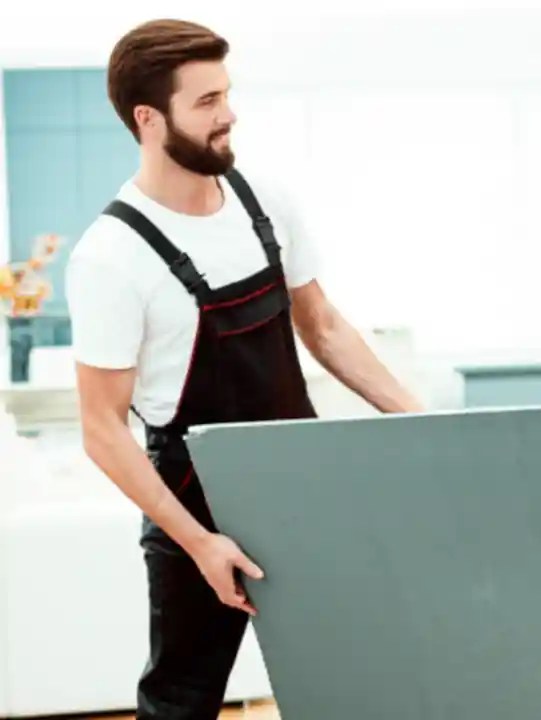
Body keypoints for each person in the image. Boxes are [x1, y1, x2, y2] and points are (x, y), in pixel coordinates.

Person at [67, 19, 424, 719]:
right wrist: (200, 544)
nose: (229, 114)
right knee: (181, 700)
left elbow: (322, 326)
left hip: (305, 483)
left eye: (226, 94)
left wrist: (419, 422)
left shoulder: (265, 202)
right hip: (194, 503)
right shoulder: (110, 257)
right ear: (148, 118)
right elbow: (101, 429)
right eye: (205, 102)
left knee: (354, 683)